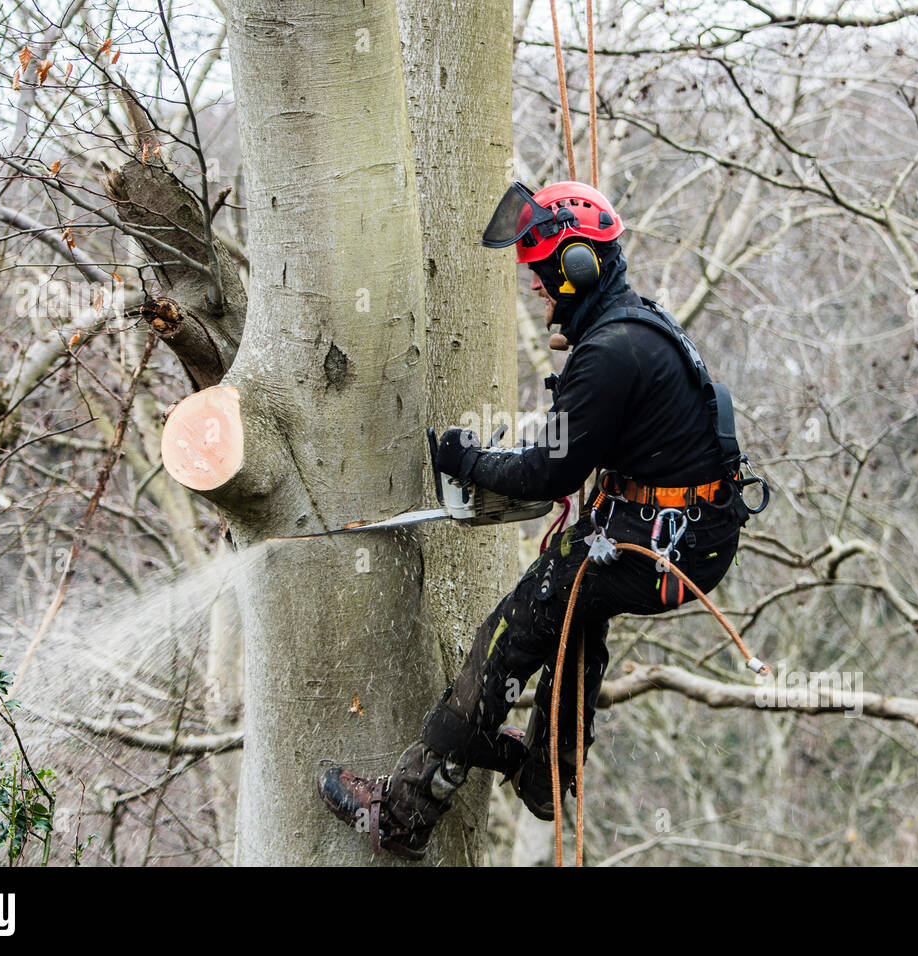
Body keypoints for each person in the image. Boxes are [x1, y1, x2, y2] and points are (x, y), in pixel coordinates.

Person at [318, 180, 761, 860]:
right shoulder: (634, 326)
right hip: (682, 532)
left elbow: (547, 473)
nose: (537, 291)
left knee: (503, 639)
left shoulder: (611, 352)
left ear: (576, 268)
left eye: (541, 277)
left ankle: (403, 814)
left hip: (658, 541)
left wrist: (465, 457)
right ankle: (547, 775)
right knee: (571, 622)